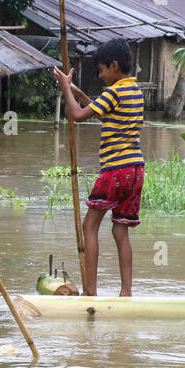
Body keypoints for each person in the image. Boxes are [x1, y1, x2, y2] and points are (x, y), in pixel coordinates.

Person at [52, 38, 144, 296]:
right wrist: (72, 89)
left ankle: (90, 292)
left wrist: (65, 90)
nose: (102, 76)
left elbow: (80, 115)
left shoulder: (114, 92)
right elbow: (98, 108)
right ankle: (126, 292)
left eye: (102, 70)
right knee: (120, 229)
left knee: (89, 226)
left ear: (114, 66)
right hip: (136, 170)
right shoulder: (134, 90)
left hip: (115, 170)